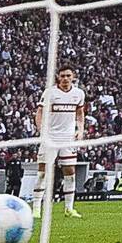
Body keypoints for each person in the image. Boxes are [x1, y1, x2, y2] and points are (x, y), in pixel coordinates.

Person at [32, 62, 86, 220]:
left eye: (68, 76)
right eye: (62, 76)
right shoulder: (50, 93)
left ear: (73, 77)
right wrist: (42, 131)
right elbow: (39, 112)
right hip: (51, 138)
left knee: (70, 173)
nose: (65, 79)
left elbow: (80, 113)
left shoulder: (79, 94)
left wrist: (80, 130)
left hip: (68, 139)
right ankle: (36, 208)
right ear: (58, 77)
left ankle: (69, 208)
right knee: (43, 173)